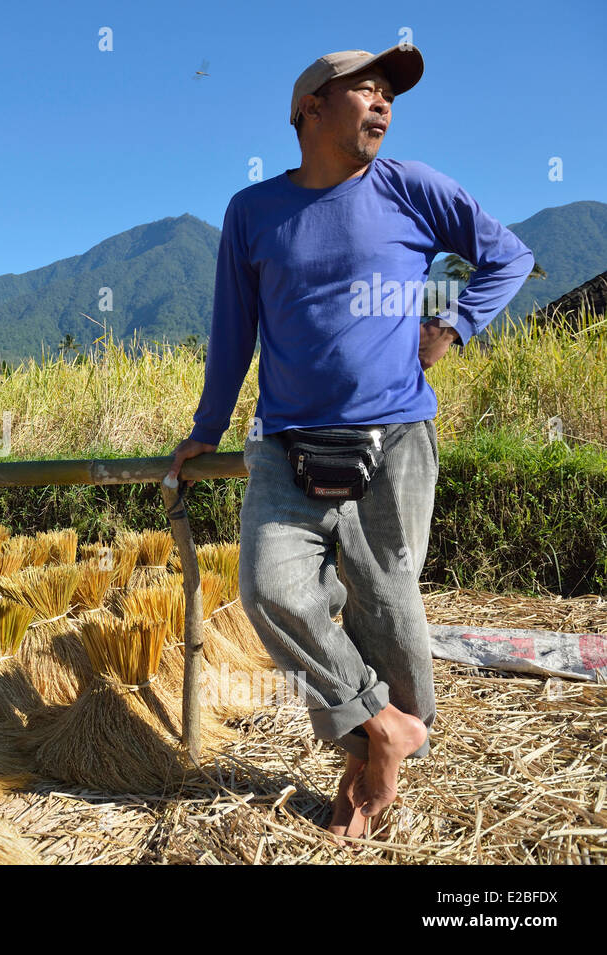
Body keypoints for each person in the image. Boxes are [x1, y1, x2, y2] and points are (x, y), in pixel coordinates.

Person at [167, 44, 534, 841]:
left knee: (387, 600)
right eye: (363, 89)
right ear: (309, 109)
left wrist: (451, 321)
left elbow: (505, 254)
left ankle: (368, 772)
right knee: (271, 592)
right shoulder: (253, 211)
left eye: (388, 94)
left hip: (394, 436)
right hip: (285, 442)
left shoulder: (409, 185)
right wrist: (204, 431)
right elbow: (234, 332)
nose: (383, 103)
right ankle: (384, 729)